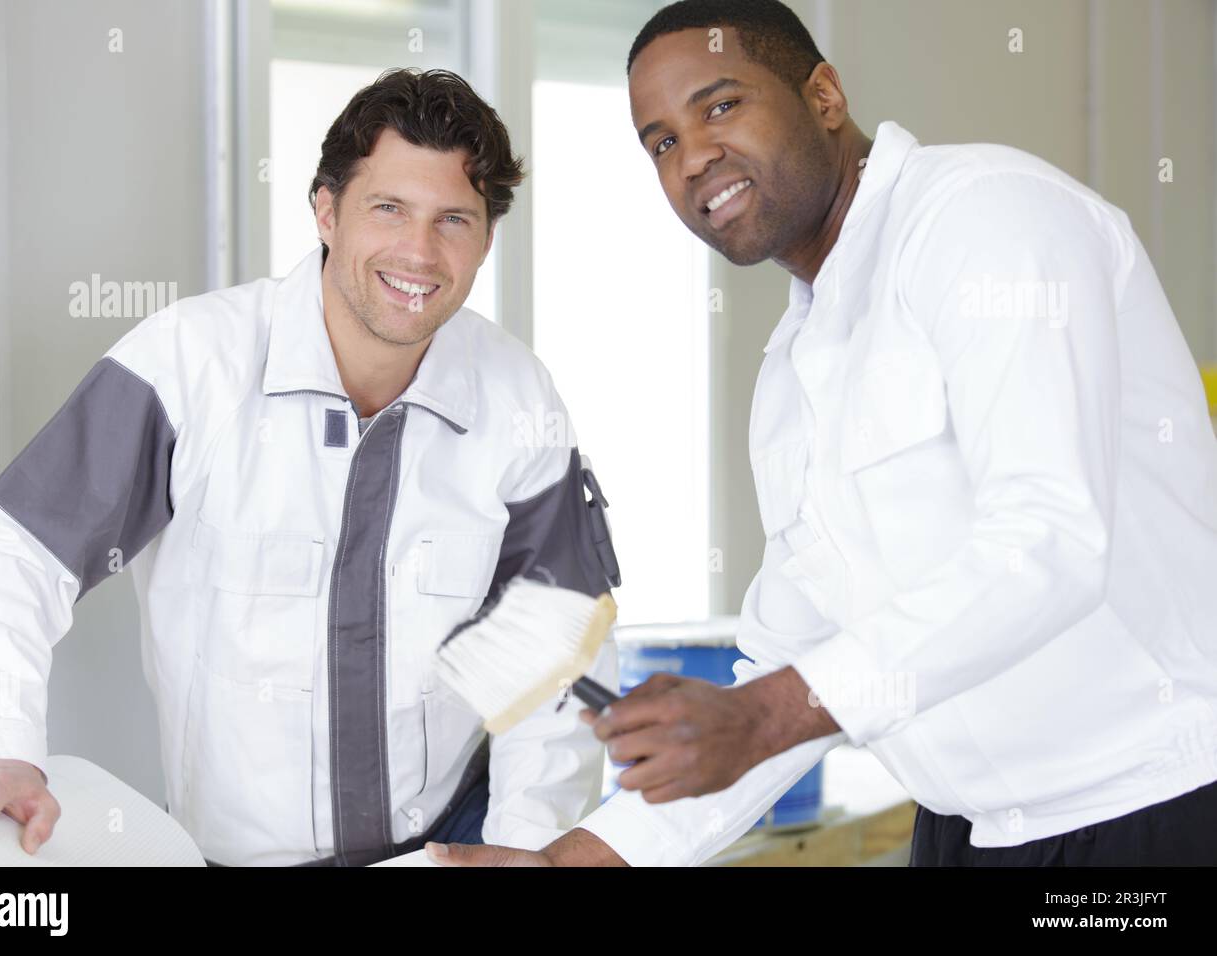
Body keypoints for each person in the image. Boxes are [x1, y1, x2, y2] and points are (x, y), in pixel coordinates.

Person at [428, 0, 1217, 867]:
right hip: (967, 831)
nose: (693, 157)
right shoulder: (795, 372)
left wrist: (767, 714)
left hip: (1152, 810)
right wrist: (568, 861)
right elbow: (794, 654)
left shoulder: (986, 220)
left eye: (720, 105)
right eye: (660, 142)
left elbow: (1051, 539)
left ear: (826, 96)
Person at [0, 68, 621, 866]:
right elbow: (5, 552)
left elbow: (558, 643)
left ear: (486, 238)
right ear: (326, 210)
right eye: (388, 208)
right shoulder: (190, 363)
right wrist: (0, 746)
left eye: (453, 219)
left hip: (450, 847)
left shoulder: (517, 394)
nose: (419, 252)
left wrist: (525, 846)